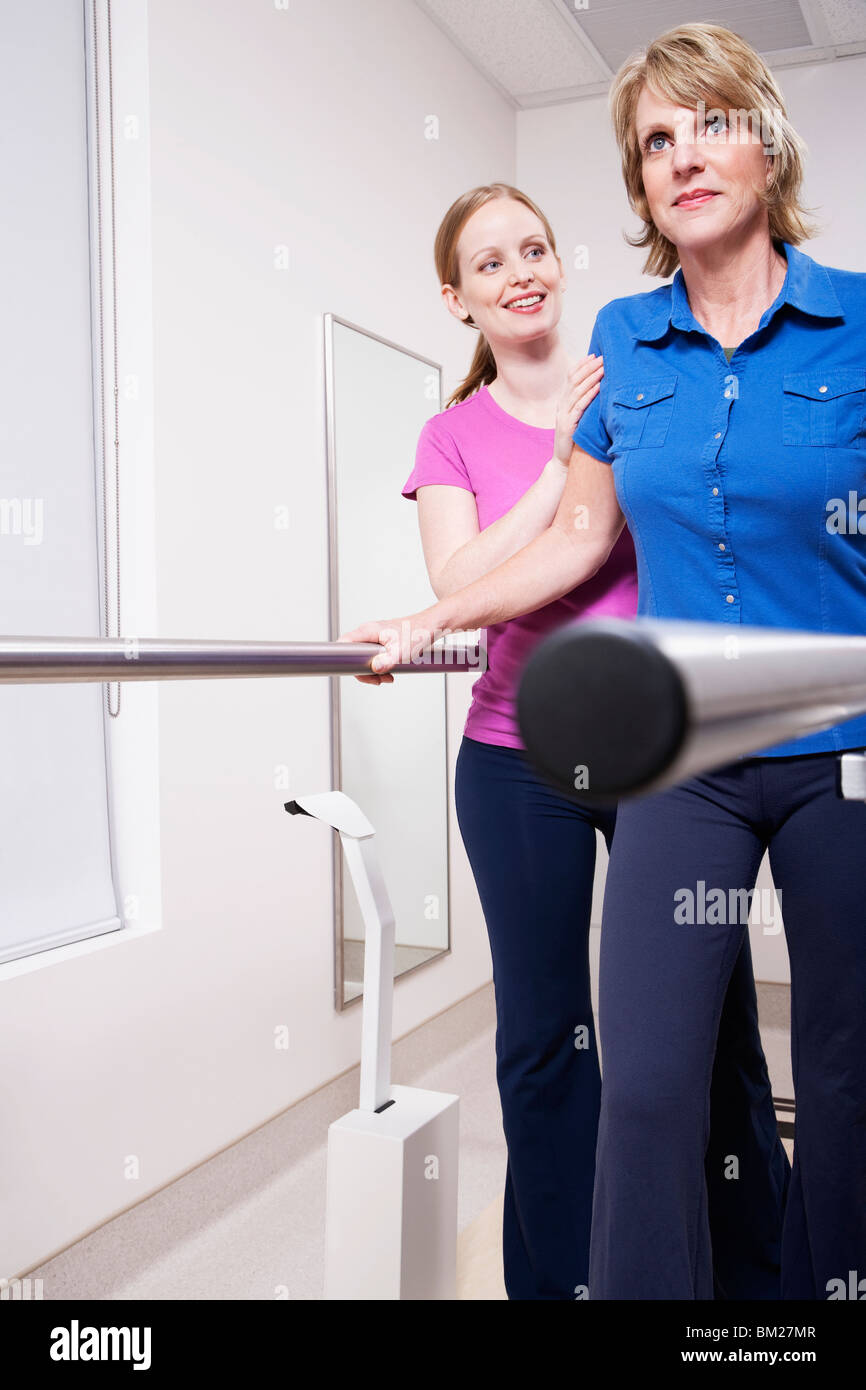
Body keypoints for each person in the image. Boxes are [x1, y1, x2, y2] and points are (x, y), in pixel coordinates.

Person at [342, 173, 790, 1298]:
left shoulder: (640, 380)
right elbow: (459, 578)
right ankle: (565, 1284)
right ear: (458, 300)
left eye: (533, 248)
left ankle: (750, 1279)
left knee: (708, 1025)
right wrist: (556, 470)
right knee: (546, 1039)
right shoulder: (451, 434)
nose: (521, 272)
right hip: (515, 760)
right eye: (489, 263)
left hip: (661, 760)